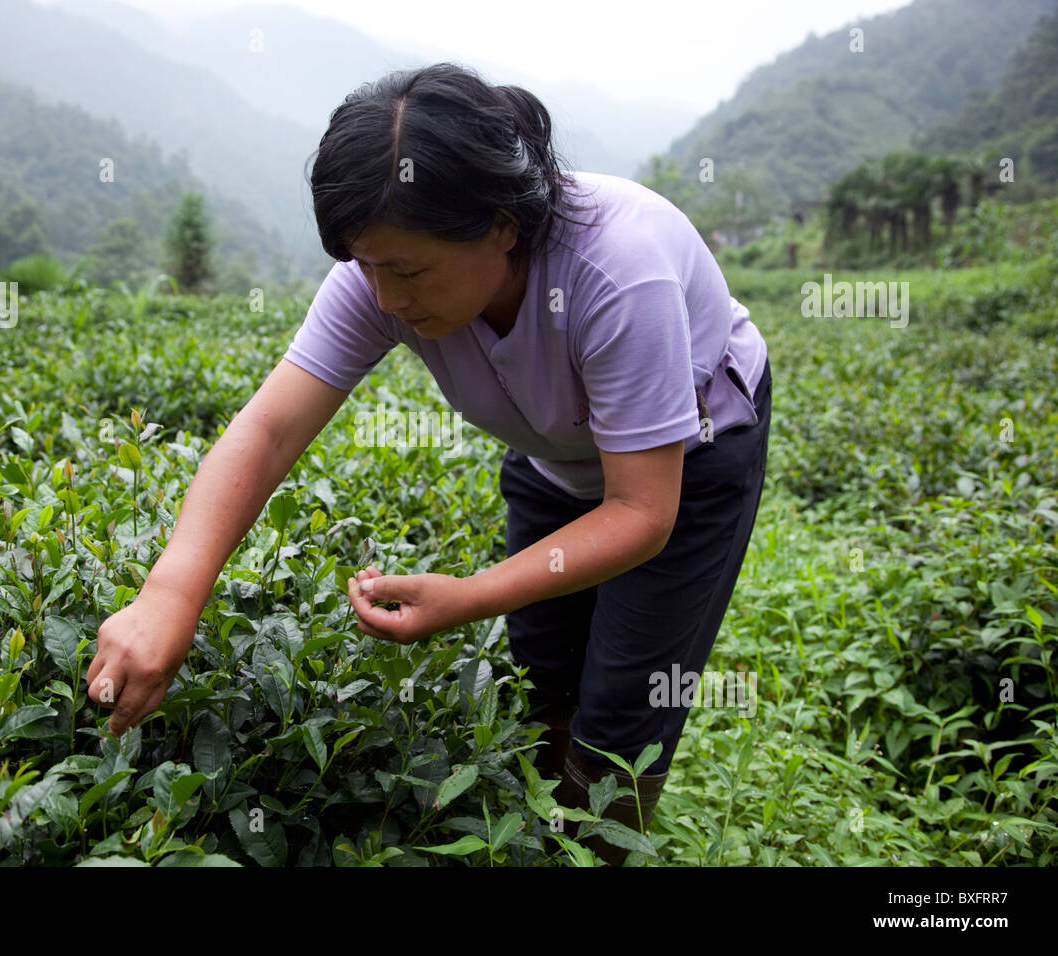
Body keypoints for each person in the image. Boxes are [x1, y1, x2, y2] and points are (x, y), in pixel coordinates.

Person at [87, 62, 771, 864]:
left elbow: (640, 514)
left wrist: (469, 597)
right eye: (365, 266)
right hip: (553, 455)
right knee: (540, 675)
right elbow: (268, 431)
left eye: (405, 271)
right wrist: (172, 593)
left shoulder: (619, 272)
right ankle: (531, 833)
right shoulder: (378, 278)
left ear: (501, 227)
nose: (382, 298)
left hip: (688, 463)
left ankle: (595, 847)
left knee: (625, 709)